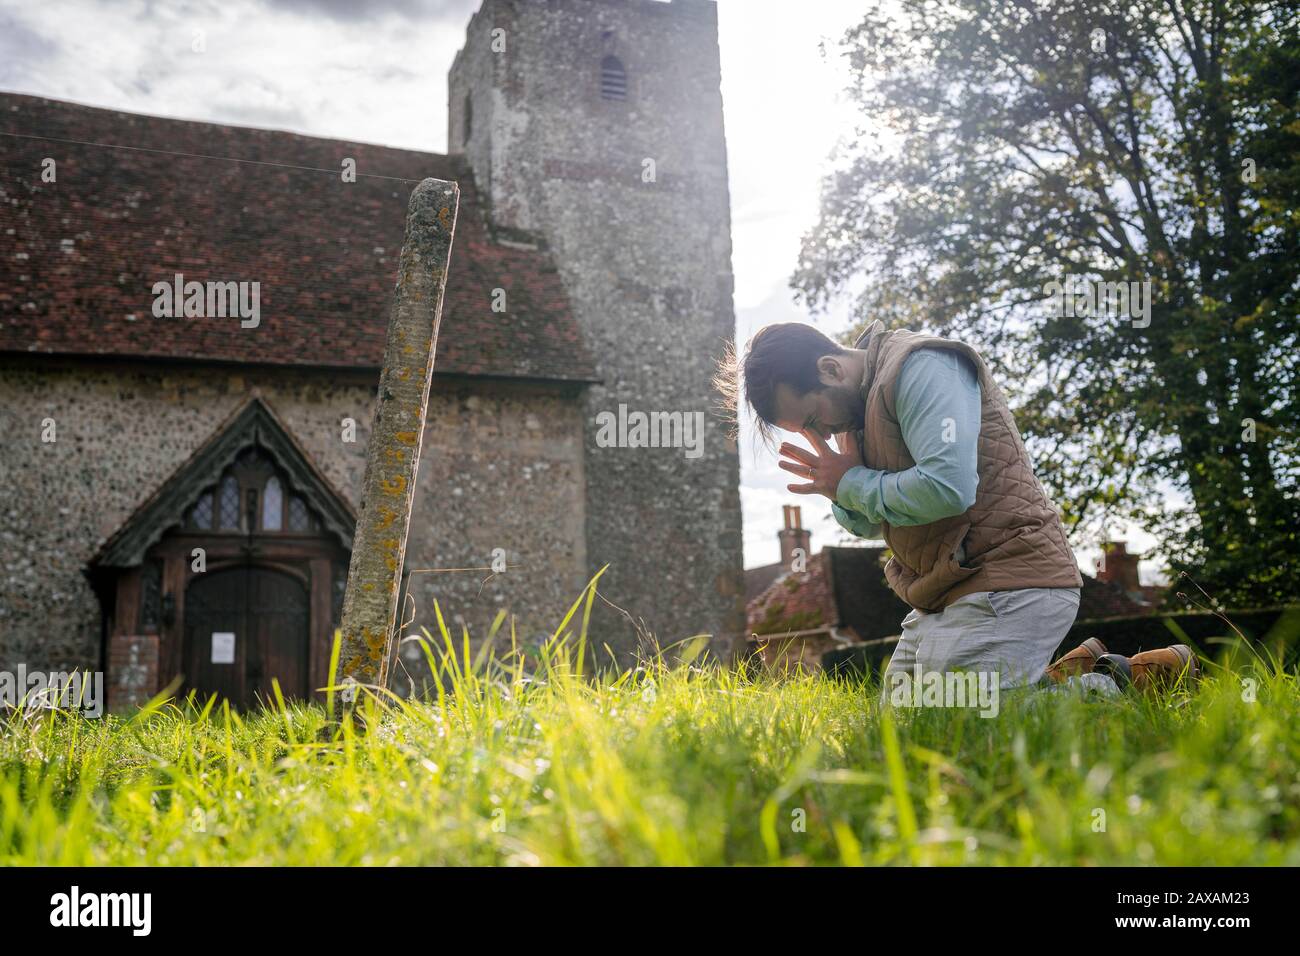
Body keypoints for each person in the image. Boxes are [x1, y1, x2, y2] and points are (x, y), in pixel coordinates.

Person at [718, 321, 1198, 694]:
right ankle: (1056, 679)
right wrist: (839, 490)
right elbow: (874, 519)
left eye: (812, 419)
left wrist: (853, 482)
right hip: (945, 589)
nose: (818, 435)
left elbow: (946, 488)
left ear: (829, 369)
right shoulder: (857, 410)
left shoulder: (924, 366)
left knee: (970, 716)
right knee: (908, 720)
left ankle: (1128, 681)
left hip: (1011, 575)